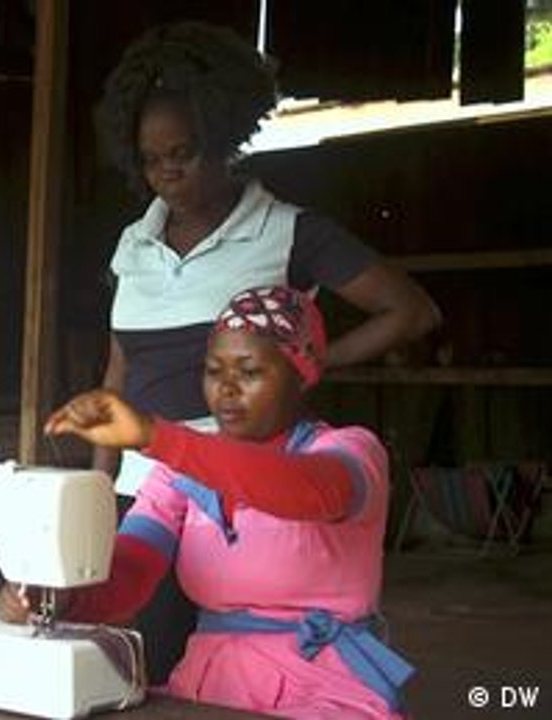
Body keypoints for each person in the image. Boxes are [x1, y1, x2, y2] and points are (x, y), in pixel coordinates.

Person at [89, 21, 440, 681]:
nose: (167, 172)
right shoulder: (131, 246)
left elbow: (412, 311)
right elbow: (121, 370)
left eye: (184, 153)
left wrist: (312, 359)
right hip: (149, 492)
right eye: (152, 158)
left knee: (237, 652)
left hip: (252, 499)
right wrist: (97, 485)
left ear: (224, 142)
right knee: (150, 668)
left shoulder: (288, 233)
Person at [0, 286, 414, 719]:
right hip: (209, 687)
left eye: (249, 372)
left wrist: (156, 436)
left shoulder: (350, 452)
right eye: (214, 371)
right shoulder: (181, 470)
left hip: (324, 689)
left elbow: (307, 492)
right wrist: (58, 596)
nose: (226, 389)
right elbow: (131, 569)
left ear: (302, 372)